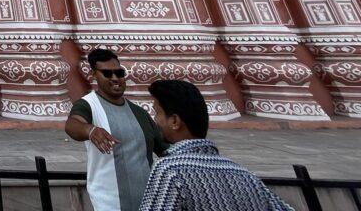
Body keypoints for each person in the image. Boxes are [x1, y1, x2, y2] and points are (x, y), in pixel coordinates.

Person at [139, 79, 294, 210]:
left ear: (174, 121)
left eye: (157, 113)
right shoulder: (245, 175)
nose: (155, 120)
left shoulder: (170, 170)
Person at [64, 48, 167, 211]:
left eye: (119, 73)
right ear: (94, 75)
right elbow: (72, 125)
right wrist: (90, 131)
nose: (115, 79)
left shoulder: (139, 113)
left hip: (148, 202)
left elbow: (165, 150)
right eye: (107, 74)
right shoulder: (88, 105)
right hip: (109, 203)